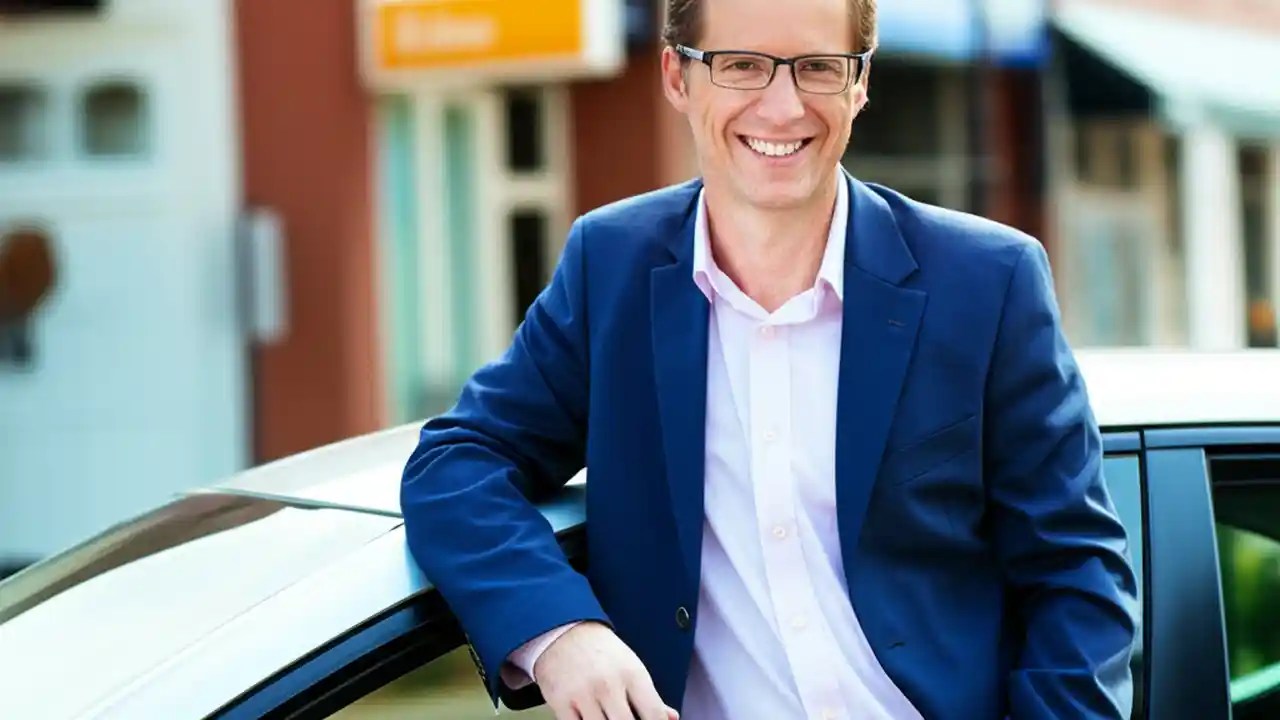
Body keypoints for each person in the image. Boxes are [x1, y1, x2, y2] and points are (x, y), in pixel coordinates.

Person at [400, 0, 1139, 717]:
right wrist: (562, 635)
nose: (783, 108)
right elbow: (456, 464)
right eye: (742, 65)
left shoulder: (986, 283)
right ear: (676, 78)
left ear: (860, 82)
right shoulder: (611, 270)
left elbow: (1075, 573)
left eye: (818, 66)